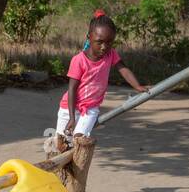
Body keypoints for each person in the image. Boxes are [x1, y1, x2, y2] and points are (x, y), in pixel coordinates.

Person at [54, 9, 148, 153]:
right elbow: (72, 89)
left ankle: (76, 172)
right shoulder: (79, 60)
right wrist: (72, 118)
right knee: (60, 145)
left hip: (90, 110)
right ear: (89, 37)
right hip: (69, 108)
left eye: (109, 42)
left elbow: (123, 69)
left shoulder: (111, 54)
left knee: (80, 141)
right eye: (99, 42)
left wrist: (137, 86)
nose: (104, 47)